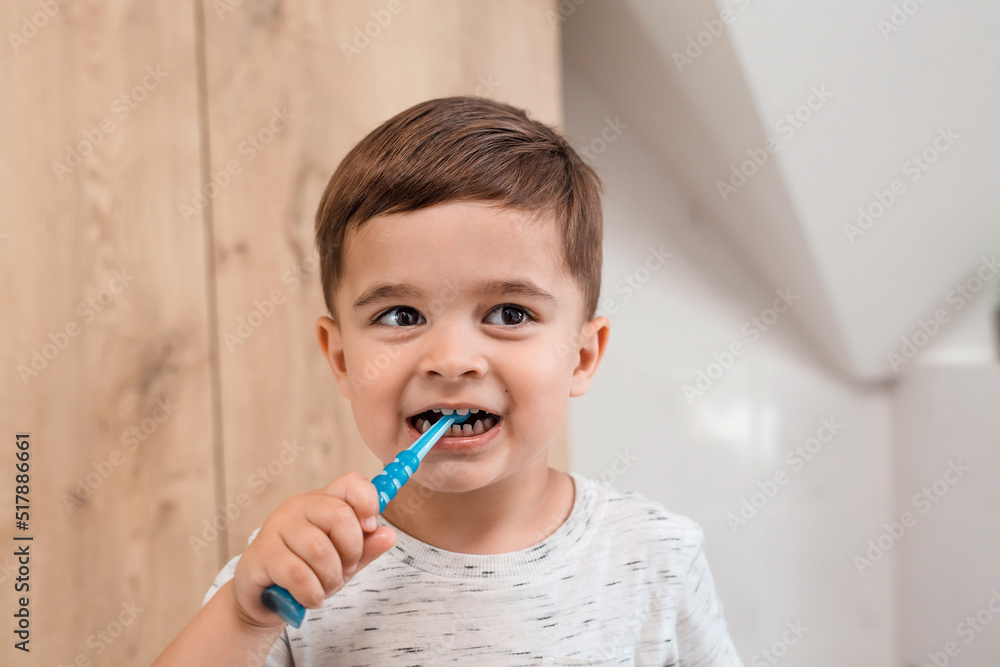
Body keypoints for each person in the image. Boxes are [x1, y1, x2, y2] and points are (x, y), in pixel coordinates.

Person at [154, 96, 743, 666]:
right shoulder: (296, 572)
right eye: (401, 317)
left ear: (582, 357)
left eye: (510, 314)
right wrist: (245, 620)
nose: (453, 360)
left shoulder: (657, 556)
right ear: (339, 358)